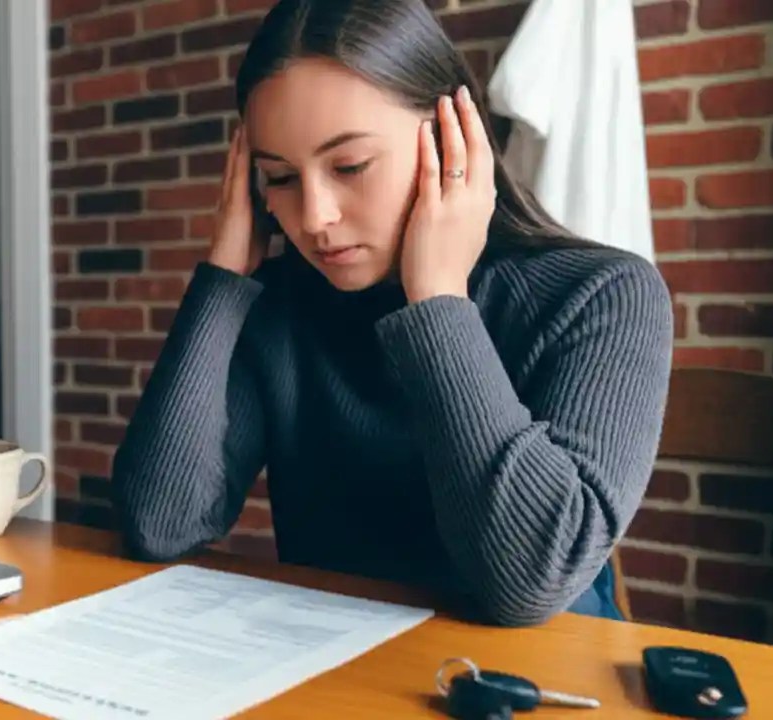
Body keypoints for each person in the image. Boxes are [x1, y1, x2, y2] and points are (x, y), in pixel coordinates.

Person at [109, 0, 674, 626]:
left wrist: (435, 297)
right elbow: (161, 526)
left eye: (350, 166)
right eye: (281, 178)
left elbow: (529, 584)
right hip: (338, 675)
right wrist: (222, 278)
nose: (314, 217)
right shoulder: (280, 309)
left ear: (451, 137)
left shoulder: (603, 294)